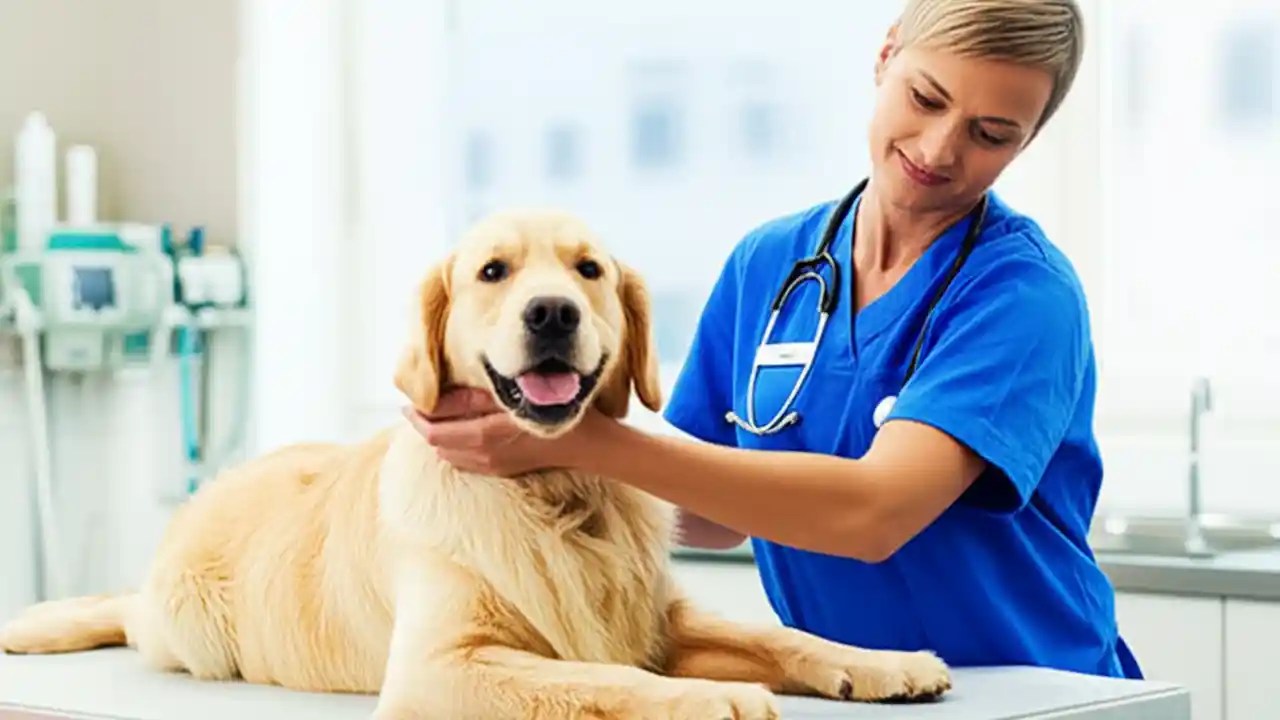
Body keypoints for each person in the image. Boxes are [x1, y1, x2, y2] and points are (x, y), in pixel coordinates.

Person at [406, 0, 1143, 680]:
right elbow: (705, 512)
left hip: (1034, 690)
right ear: (885, 57)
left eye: (991, 135)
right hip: (859, 689)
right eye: (925, 98)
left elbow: (874, 513)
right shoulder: (770, 264)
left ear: (1029, 140)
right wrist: (527, 430)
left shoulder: (1021, 295)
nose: (939, 147)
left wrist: (580, 443)